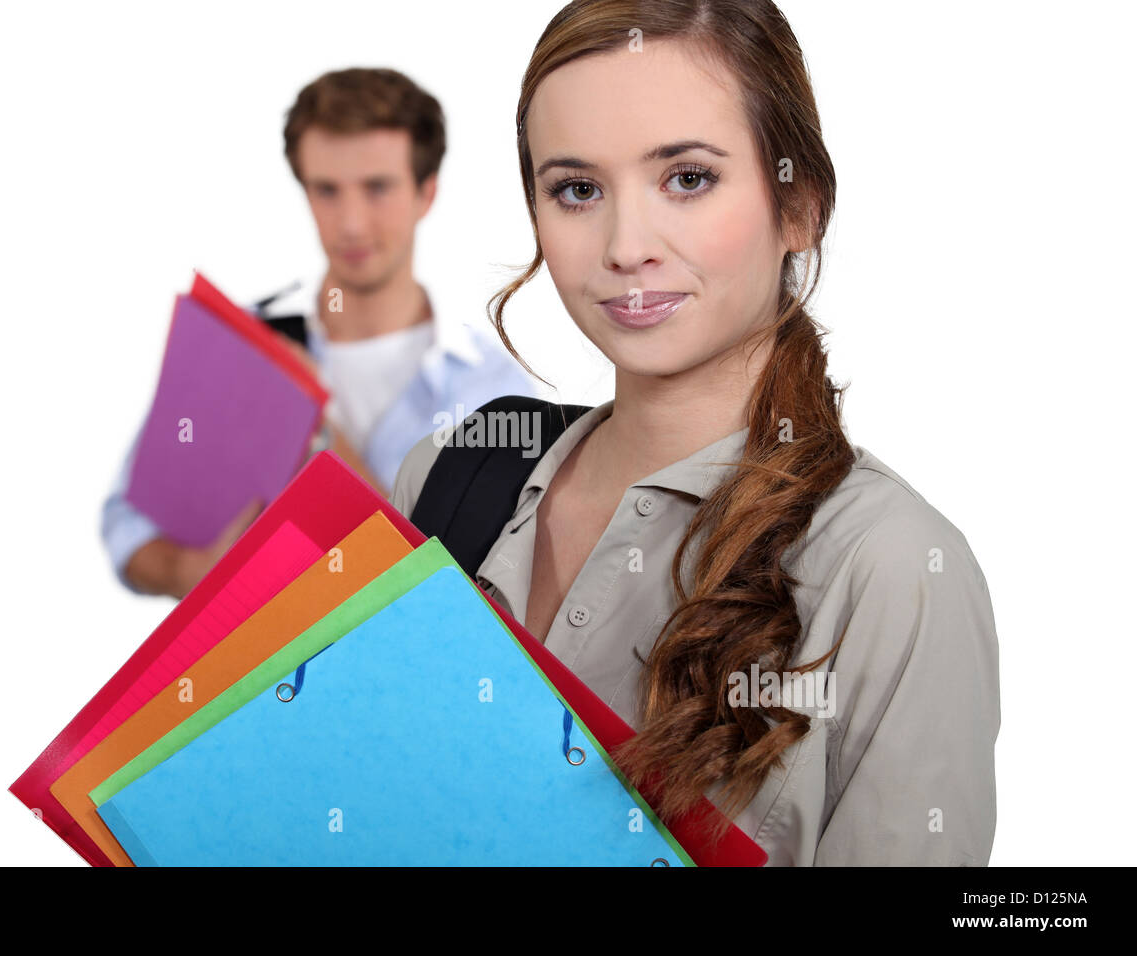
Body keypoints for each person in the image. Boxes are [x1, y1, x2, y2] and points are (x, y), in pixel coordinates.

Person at [390, 0, 999, 866]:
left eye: (686, 178)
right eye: (578, 190)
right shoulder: (451, 471)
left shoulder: (891, 566)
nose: (626, 245)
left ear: (800, 207)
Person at [102, 67, 541, 599]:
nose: (351, 223)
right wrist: (189, 573)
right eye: (326, 190)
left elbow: (453, 599)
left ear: (426, 193)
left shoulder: (494, 392)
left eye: (377, 187)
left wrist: (312, 424)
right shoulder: (239, 343)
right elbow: (128, 519)